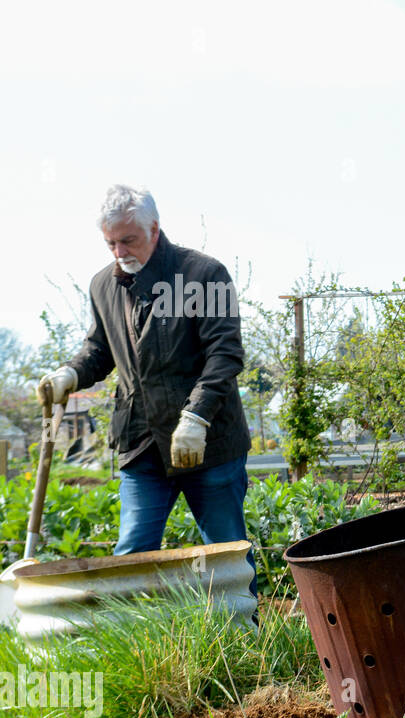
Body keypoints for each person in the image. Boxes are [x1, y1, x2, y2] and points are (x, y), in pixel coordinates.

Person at [37, 185, 257, 600]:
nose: (119, 252)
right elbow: (99, 350)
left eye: (128, 240)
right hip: (141, 443)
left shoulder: (204, 275)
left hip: (209, 443)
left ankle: (245, 646)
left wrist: (196, 417)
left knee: (225, 554)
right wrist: (70, 373)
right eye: (111, 243)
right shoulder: (104, 285)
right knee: (131, 557)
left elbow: (225, 355)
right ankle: (135, 652)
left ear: (154, 229)